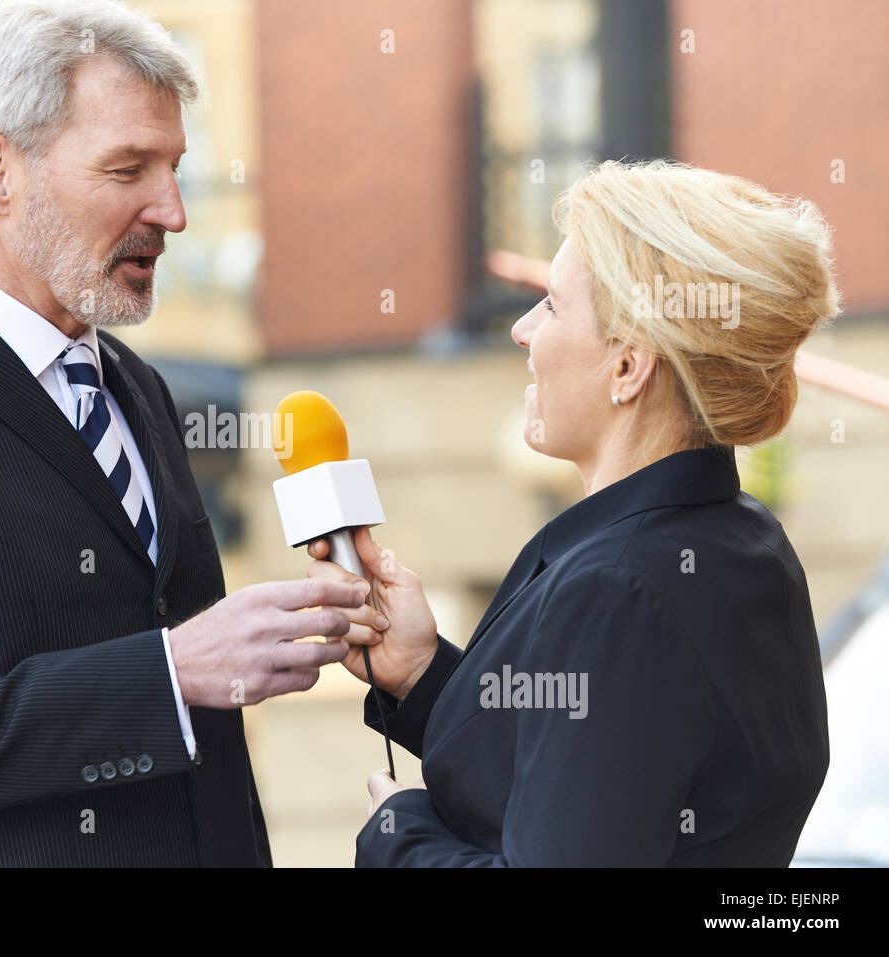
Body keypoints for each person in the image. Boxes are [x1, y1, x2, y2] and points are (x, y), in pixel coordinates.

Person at [0, 0, 362, 867]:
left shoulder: (138, 387)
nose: (174, 211)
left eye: (176, 168)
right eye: (129, 169)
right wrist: (167, 673)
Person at [308, 160, 838, 866]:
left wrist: (397, 834)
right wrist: (422, 671)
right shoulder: (743, 538)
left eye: (553, 305)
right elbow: (602, 776)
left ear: (628, 366)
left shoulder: (620, 588)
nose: (524, 331)